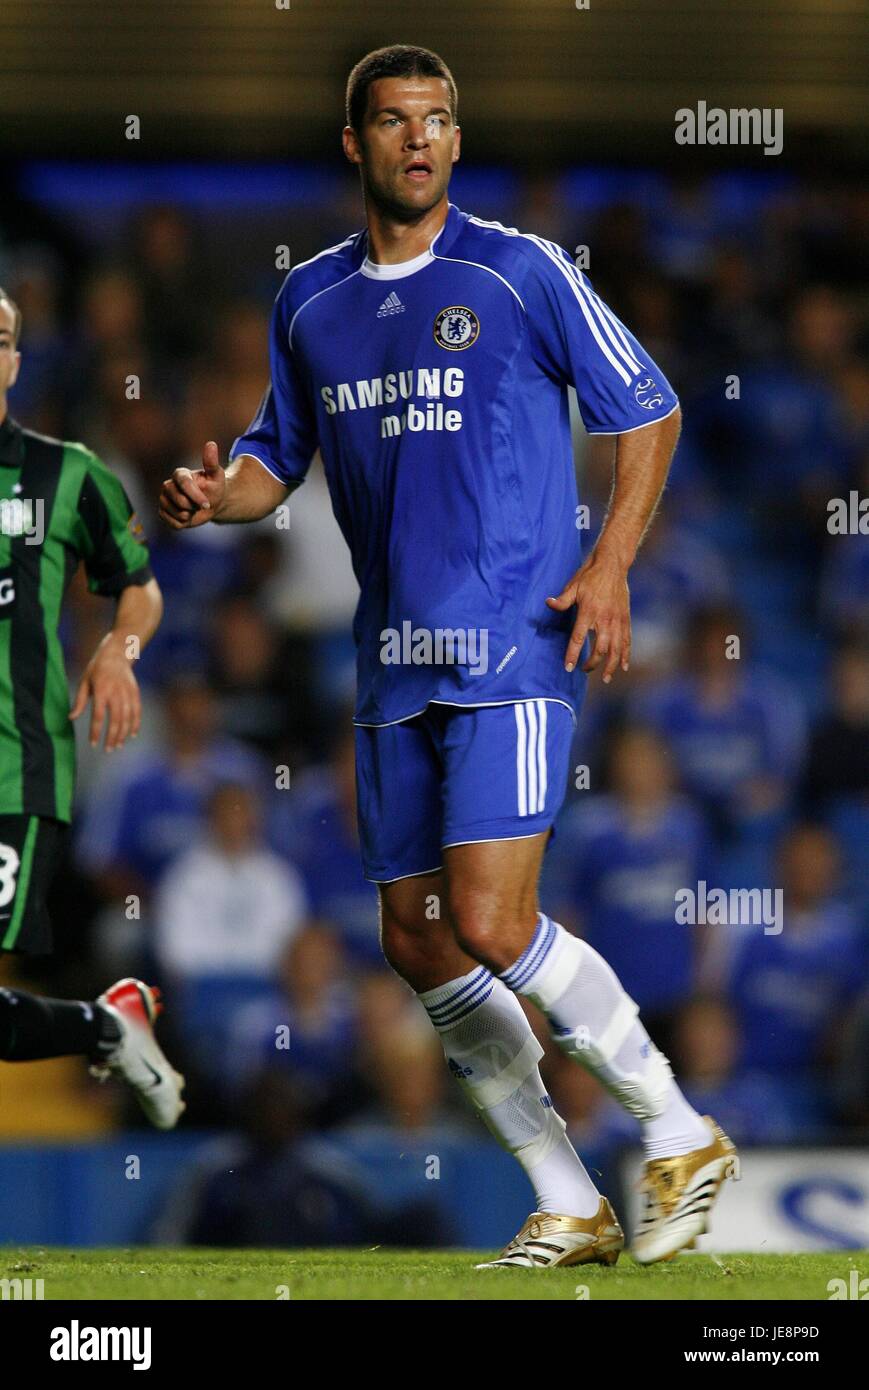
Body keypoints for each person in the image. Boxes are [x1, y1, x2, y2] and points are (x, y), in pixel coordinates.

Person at [159, 45, 736, 1266]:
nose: (417, 139)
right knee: (415, 938)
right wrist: (218, 496)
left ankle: (678, 1127)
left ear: (456, 143)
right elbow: (277, 455)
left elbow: (650, 405)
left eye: (436, 120)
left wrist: (612, 564)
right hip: (390, 663)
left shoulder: (521, 270)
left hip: (509, 643)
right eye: (391, 121)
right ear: (354, 145)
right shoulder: (309, 299)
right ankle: (568, 1198)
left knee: (482, 917)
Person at [0, 285, 184, 1130]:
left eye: (1, 339)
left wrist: (120, 647)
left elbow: (138, 591)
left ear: (14, 362)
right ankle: (107, 1023)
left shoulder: (66, 474)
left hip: (15, 772)